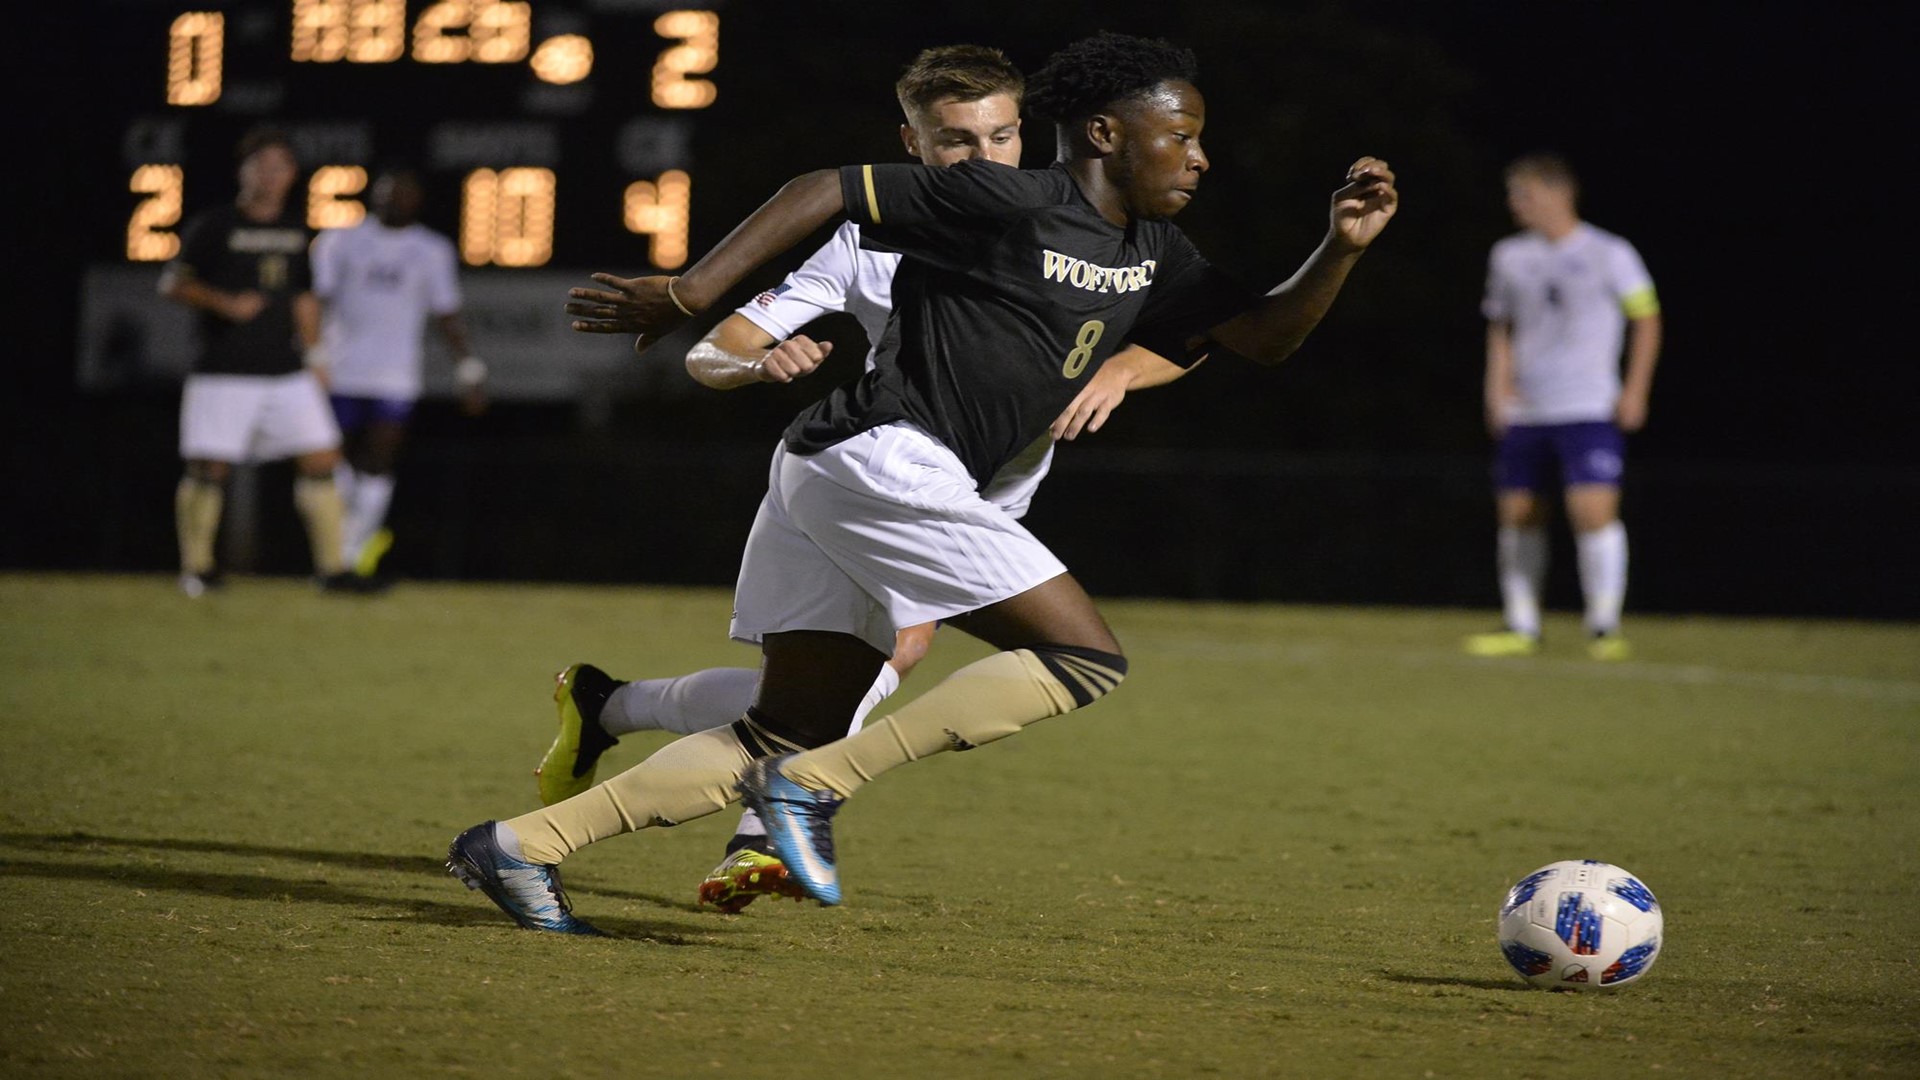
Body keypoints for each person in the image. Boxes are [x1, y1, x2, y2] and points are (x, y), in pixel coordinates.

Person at [447, 31, 1398, 935]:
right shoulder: (1009, 200)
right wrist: (695, 295)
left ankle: (519, 847)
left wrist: (1342, 249)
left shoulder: (1154, 249)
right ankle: (814, 791)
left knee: (787, 725)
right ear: (1106, 134)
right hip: (882, 455)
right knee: (1084, 660)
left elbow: (1265, 338)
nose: (1198, 157)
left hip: (837, 468)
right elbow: (822, 187)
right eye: (1181, 135)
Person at [537, 44, 1194, 915]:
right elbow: (714, 352)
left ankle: (611, 711)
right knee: (895, 665)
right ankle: (761, 832)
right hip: (890, 470)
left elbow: (1200, 325)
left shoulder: (1071, 216)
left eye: (1001, 135)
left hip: (990, 483)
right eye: (956, 141)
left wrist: (1121, 370)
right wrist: (752, 363)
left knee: (819, 697)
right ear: (912, 144)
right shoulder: (868, 239)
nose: (983, 156)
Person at [1465, 153, 1661, 661]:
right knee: (1518, 512)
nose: (1514, 204)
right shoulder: (1508, 255)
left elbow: (1647, 318)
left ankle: (1603, 624)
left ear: (1558, 193)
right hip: (1527, 408)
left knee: (1592, 511)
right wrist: (1495, 389)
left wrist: (1635, 389)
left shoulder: (1609, 252)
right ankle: (1522, 624)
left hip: (1589, 404)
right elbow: (1500, 330)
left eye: (1523, 194)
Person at [161, 126, 369, 596]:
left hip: (284, 370)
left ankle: (332, 571)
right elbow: (173, 283)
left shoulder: (295, 230)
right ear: (244, 171)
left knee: (322, 457)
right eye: (262, 165)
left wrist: (316, 354)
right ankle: (197, 569)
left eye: (281, 167)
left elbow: (304, 299)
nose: (271, 175)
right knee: (210, 467)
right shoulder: (214, 225)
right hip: (223, 369)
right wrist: (225, 303)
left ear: (293, 174)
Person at [310, 166, 484, 581]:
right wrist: (311, 356)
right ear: (374, 197)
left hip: (395, 376)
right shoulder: (340, 241)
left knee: (379, 461)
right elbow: (314, 302)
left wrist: (469, 367)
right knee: (335, 463)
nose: (395, 201)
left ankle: (352, 556)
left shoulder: (431, 249)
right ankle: (333, 551)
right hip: (340, 371)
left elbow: (447, 314)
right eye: (388, 193)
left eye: (404, 194)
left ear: (417, 201)